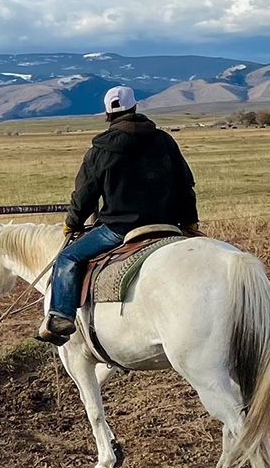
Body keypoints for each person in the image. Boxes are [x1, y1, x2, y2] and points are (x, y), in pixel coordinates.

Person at [39, 86, 199, 345]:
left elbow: (85, 193)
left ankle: (61, 316)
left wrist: (73, 224)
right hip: (169, 223)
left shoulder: (101, 149)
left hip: (120, 228)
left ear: (107, 114)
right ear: (135, 108)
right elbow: (185, 184)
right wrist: (190, 221)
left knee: (68, 257)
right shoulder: (164, 140)